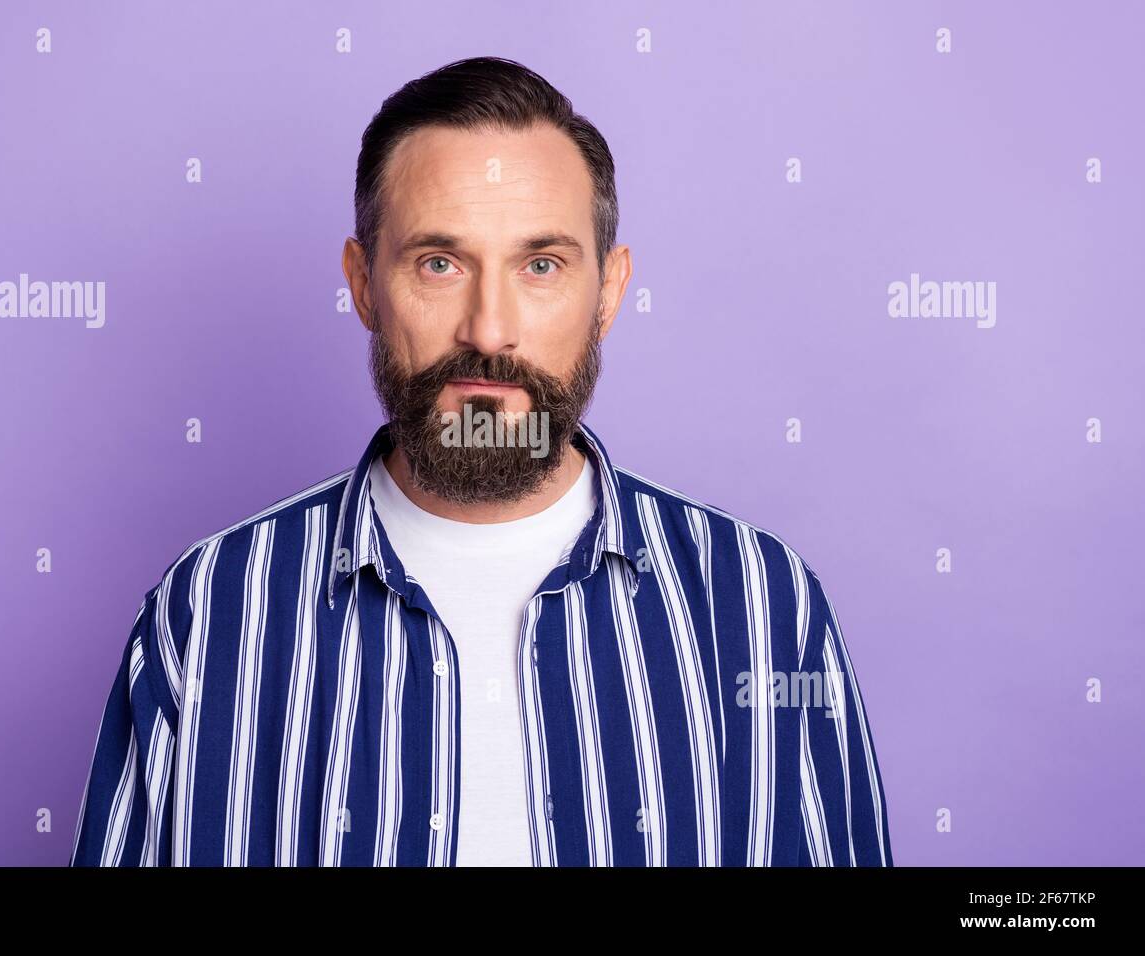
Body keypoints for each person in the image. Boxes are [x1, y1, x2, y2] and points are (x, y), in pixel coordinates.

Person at [70, 56, 892, 867]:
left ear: (608, 290)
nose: (488, 329)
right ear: (362, 283)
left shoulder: (762, 605)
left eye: (541, 265)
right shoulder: (209, 611)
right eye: (440, 263)